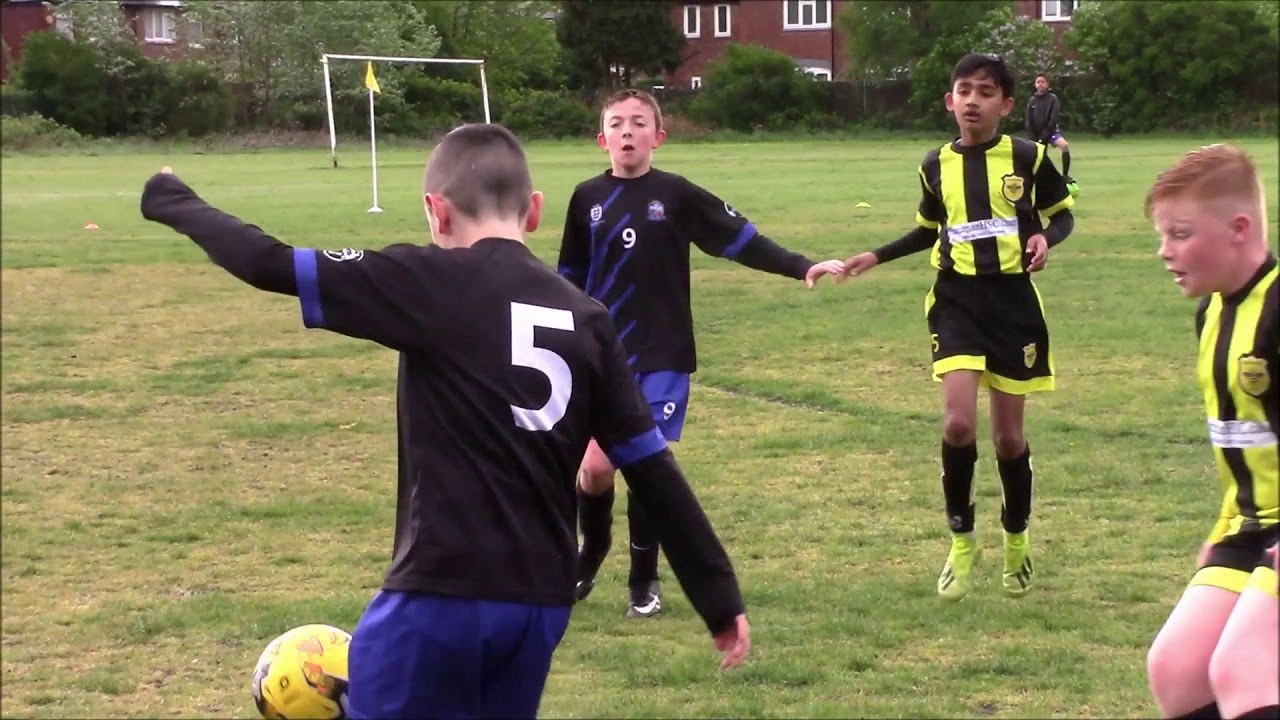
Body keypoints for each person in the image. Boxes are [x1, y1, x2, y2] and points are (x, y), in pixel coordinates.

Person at [139, 123, 751, 720]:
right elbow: (652, 470)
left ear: (437, 212)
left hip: (441, 595)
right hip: (539, 604)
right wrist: (719, 601)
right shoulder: (588, 318)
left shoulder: (430, 280)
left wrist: (172, 200)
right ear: (534, 211)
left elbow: (267, 261)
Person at [557, 87, 845, 618]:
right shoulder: (584, 199)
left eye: (639, 123)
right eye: (617, 123)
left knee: (644, 466)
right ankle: (592, 550)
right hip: (600, 355)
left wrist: (800, 264)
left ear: (658, 137)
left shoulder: (678, 195)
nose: (627, 131)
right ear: (602, 139)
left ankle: (644, 580)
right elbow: (568, 278)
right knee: (595, 469)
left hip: (662, 352)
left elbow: (739, 239)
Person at [836, 53, 1076, 601]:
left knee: (1009, 438)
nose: (972, 100)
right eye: (963, 90)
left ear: (1006, 105)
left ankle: (1016, 541)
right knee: (958, 425)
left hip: (1013, 306)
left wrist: (1045, 238)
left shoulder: (1029, 156)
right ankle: (962, 539)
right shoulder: (933, 164)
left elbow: (1062, 215)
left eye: (985, 92)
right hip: (956, 301)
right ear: (949, 101)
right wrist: (875, 255)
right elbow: (928, 229)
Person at [1143, 143, 1278, 720]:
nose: (1164, 252)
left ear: (1239, 228)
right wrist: (1223, 528)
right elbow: (1241, 440)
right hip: (1249, 526)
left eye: (1180, 234)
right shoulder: (1215, 311)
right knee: (1177, 670)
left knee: (1241, 669)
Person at [1025, 73, 1078, 197]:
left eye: (1043, 82)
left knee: (1064, 146)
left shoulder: (1053, 99)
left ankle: (1065, 175)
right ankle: (1035, 181)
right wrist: (1034, 137)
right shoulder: (1032, 101)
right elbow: (1028, 120)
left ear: (1047, 84)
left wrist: (1044, 136)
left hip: (1050, 132)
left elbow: (1053, 119)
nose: (1040, 84)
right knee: (1039, 158)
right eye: (1038, 82)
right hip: (1036, 136)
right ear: (1035, 84)